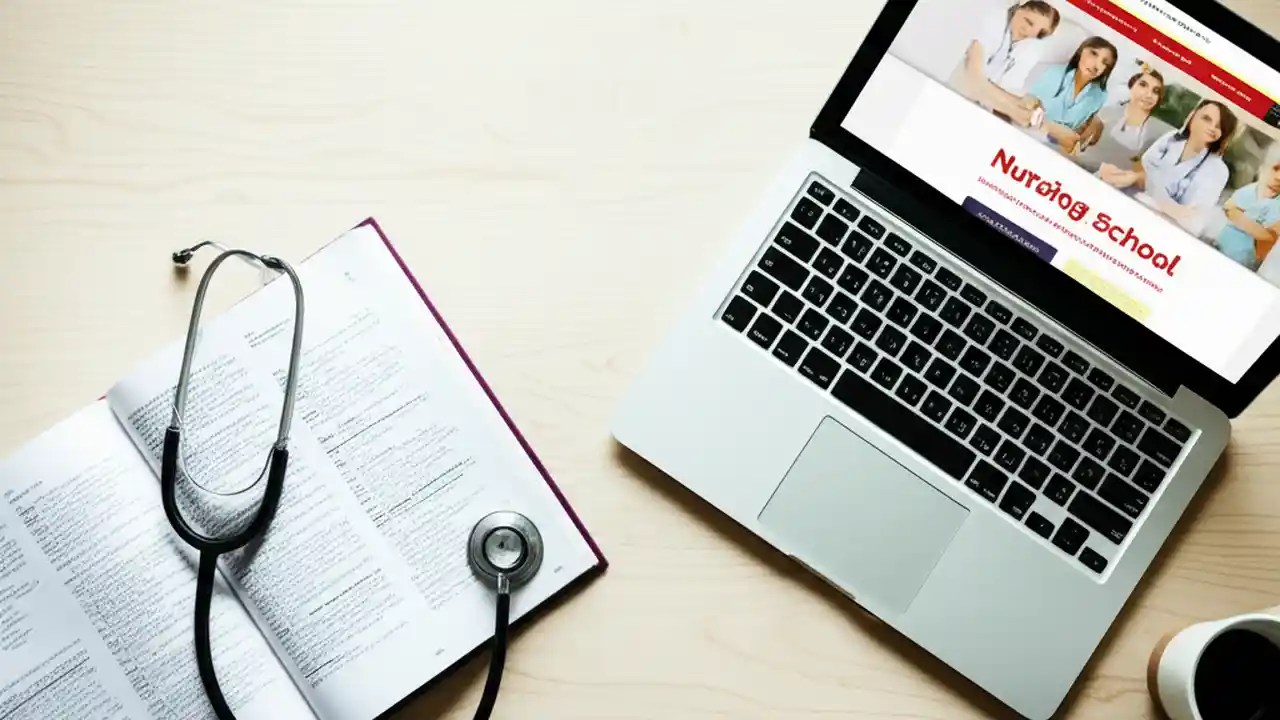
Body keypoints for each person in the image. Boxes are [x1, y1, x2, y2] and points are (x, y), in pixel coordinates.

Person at [1102, 100, 1238, 234]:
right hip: (1138, 201)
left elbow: (1190, 216)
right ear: (1192, 116)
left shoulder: (1218, 170)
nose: (1211, 127)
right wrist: (1132, 177)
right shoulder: (1171, 138)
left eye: (1219, 126)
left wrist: (1143, 181)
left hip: (1167, 226)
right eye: (1206, 119)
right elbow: (1144, 167)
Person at [956, 1, 1061, 114]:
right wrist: (1012, 110)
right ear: (1018, 9)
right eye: (1029, 22)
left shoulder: (1029, 48)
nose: (1030, 33)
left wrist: (1022, 103)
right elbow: (973, 77)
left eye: (1040, 33)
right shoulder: (994, 19)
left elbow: (1008, 88)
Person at [1024, 37, 1119, 153]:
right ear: (1081, 51)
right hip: (1032, 135)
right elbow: (1028, 107)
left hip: (1060, 149)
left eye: (1105, 63)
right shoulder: (1055, 73)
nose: (1096, 65)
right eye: (1093, 53)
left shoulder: (1100, 95)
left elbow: (1081, 128)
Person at [1074, 63, 1174, 173]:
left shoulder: (1159, 133)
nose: (1149, 94)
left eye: (1156, 91)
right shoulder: (1105, 112)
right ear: (1131, 86)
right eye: (1143, 85)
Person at [1215, 153, 1280, 270]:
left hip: (1241, 264)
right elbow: (1227, 209)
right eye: (1275, 168)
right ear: (1263, 168)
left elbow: (1268, 238)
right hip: (1216, 246)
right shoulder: (1249, 190)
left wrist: (1237, 215)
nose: (1278, 177)